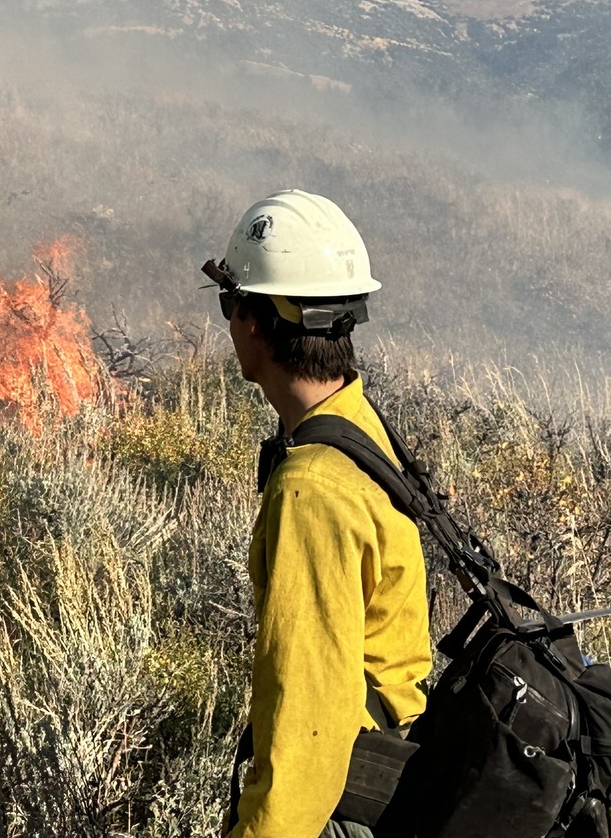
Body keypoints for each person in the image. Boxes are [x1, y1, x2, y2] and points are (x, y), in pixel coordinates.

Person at [210, 190, 433, 838]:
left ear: (252, 321)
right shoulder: (356, 428)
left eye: (230, 302)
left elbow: (307, 719)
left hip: (333, 810)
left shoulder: (311, 493)